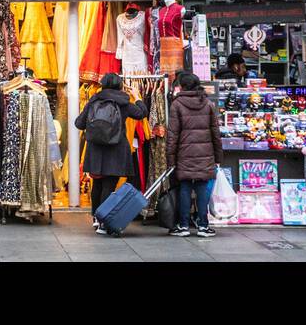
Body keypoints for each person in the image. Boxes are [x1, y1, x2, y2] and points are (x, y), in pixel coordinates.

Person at [74, 71, 148, 236]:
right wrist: (137, 97)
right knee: (109, 185)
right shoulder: (124, 102)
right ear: (119, 85)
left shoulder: (94, 101)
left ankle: (96, 217)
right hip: (116, 149)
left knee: (97, 185)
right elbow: (142, 113)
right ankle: (103, 221)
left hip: (95, 150)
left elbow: (78, 123)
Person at [165, 71, 221, 238]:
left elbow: (173, 135)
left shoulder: (177, 104)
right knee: (202, 188)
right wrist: (218, 158)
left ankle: (183, 226)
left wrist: (170, 159)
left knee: (185, 188)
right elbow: (215, 133)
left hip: (184, 154)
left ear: (182, 86)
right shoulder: (208, 103)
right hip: (206, 154)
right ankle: (203, 226)